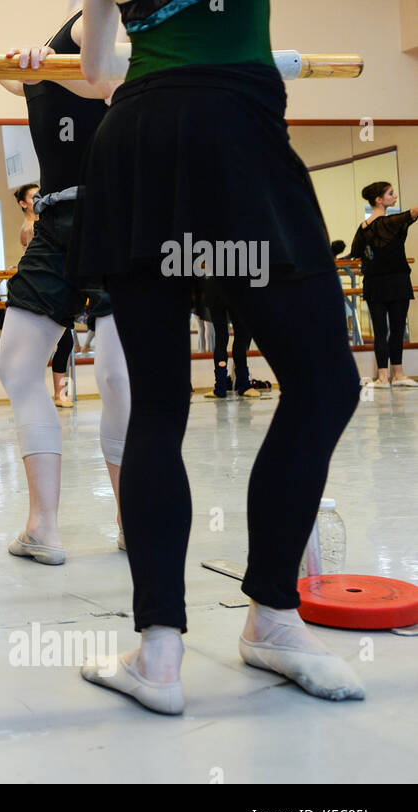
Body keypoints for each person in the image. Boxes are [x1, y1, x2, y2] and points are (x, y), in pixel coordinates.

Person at [77, 0, 364, 713]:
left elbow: (94, 67)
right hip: (230, 131)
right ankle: (242, 621)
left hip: (144, 133)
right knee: (321, 384)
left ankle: (166, 649)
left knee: (165, 402)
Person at [0, 10, 131, 565]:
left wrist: (49, 70)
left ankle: (133, 518)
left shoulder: (97, 20)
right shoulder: (70, 26)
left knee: (116, 376)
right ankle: (43, 526)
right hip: (56, 216)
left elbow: (113, 81)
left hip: (116, 214)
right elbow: (58, 91)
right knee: (17, 364)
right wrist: (11, 74)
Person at [348, 182, 418, 388]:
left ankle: (383, 377)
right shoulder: (392, 222)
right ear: (379, 200)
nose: (394, 196)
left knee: (380, 330)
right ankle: (398, 374)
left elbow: (356, 252)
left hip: (374, 283)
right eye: (390, 193)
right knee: (397, 329)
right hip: (396, 281)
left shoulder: (363, 228)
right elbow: (413, 212)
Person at [200, 278, 259, 398]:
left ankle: (221, 387)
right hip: (236, 286)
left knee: (221, 337)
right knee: (240, 337)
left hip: (216, 287)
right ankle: (243, 385)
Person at [15, 183, 39, 248]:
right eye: (34, 198)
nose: (39, 200)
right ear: (23, 204)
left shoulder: (30, 225)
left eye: (40, 196)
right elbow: (34, 254)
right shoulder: (31, 226)